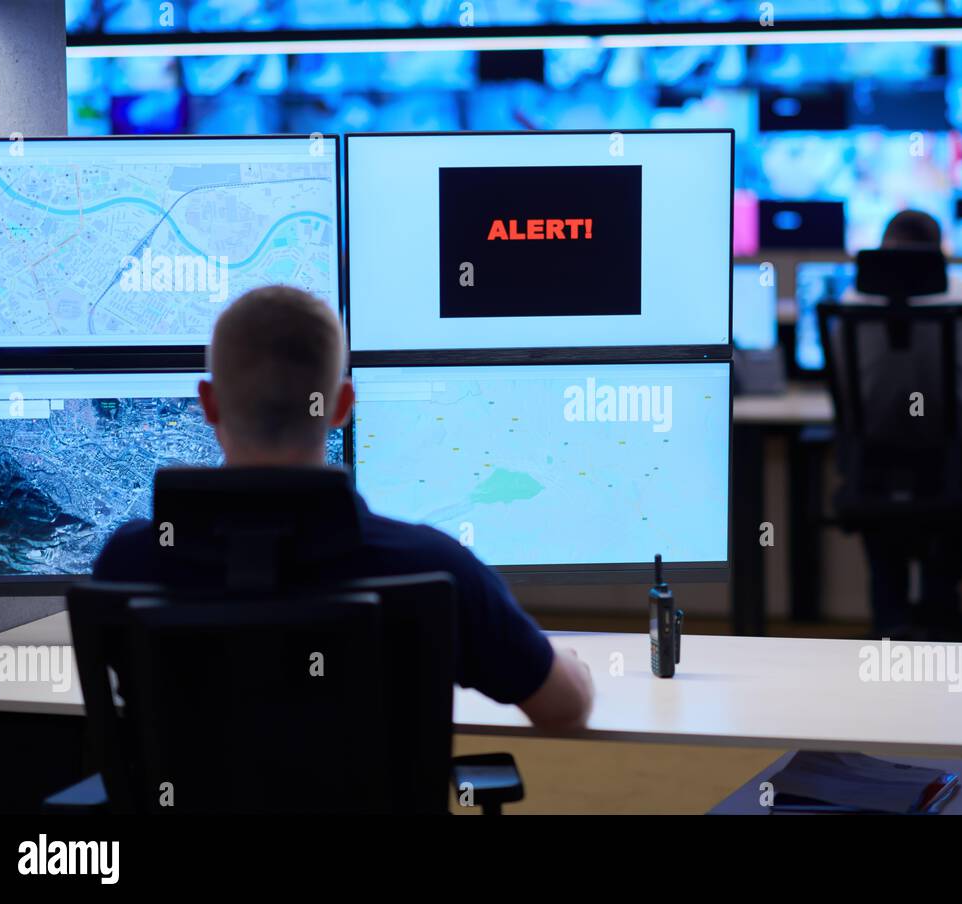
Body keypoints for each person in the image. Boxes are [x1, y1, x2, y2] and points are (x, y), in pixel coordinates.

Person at [93, 285, 594, 730]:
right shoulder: (434, 570)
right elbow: (564, 709)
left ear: (208, 403)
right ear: (341, 406)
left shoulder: (128, 565)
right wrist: (568, 663)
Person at [841, 210, 962, 642]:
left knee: (883, 510)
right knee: (947, 506)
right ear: (941, 253)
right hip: (957, 478)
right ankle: (938, 605)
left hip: (874, 480)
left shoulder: (853, 302)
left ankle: (891, 619)